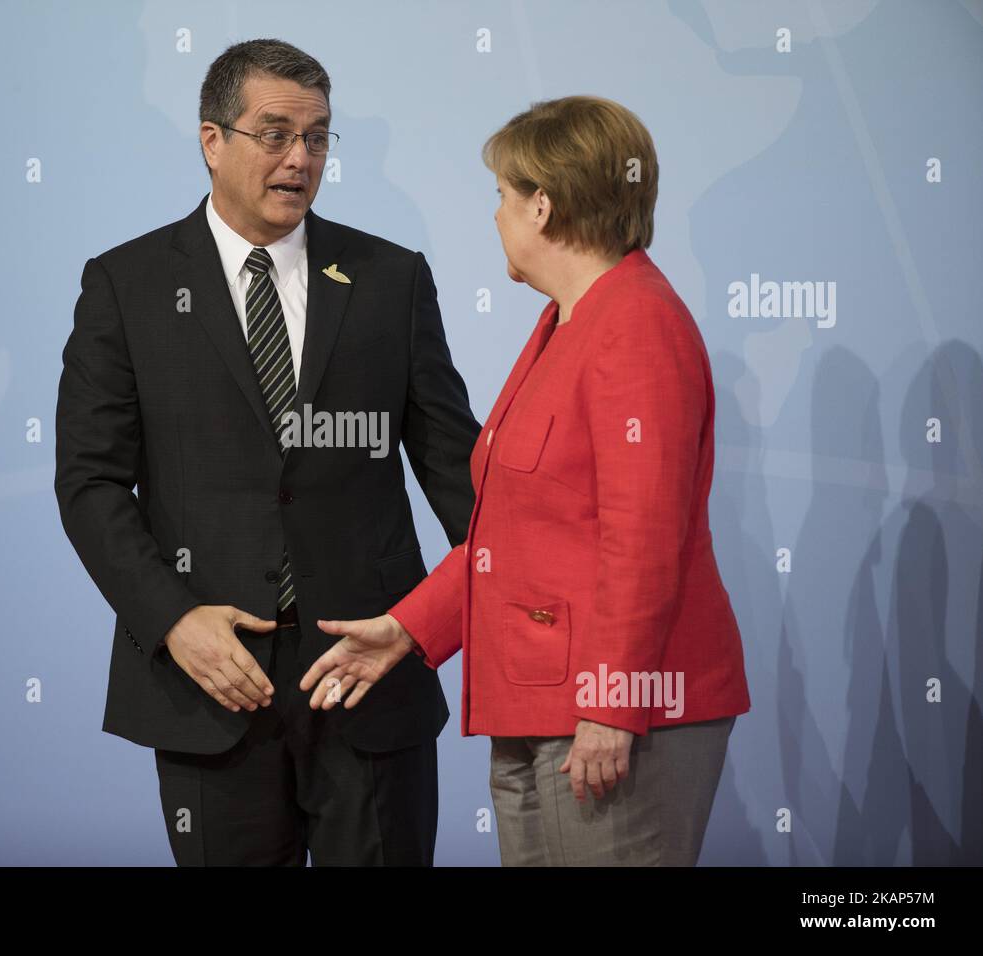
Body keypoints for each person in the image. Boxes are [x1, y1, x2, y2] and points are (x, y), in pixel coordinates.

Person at [53, 38, 480, 865]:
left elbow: (461, 479)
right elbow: (90, 483)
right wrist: (172, 622)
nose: (300, 158)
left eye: (318, 137)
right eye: (275, 133)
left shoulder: (391, 278)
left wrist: (456, 620)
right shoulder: (127, 284)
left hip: (367, 675)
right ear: (212, 141)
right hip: (213, 685)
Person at [300, 96, 752, 866]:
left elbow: (643, 537)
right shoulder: (567, 323)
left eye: (503, 196)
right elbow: (507, 535)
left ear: (542, 205)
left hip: (612, 718)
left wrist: (613, 701)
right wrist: (408, 630)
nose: (497, 216)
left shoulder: (636, 323)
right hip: (541, 707)